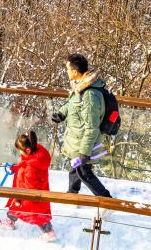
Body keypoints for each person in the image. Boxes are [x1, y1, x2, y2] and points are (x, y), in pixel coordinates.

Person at [51, 53, 113, 198]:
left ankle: (106, 200)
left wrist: (85, 151)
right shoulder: (80, 86)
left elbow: (92, 126)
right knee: (76, 166)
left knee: (83, 170)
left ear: (74, 71)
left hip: (84, 140)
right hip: (77, 137)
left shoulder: (89, 94)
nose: (66, 72)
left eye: (67, 69)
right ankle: (72, 193)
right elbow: (74, 104)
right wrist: (62, 113)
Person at [0, 131, 57, 242]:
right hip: (29, 192)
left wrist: (19, 198)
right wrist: (17, 167)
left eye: (20, 150)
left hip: (30, 196)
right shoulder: (35, 151)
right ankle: (10, 221)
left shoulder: (31, 169)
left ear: (27, 150)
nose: (20, 153)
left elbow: (30, 187)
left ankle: (49, 233)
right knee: (16, 208)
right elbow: (27, 162)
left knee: (38, 215)